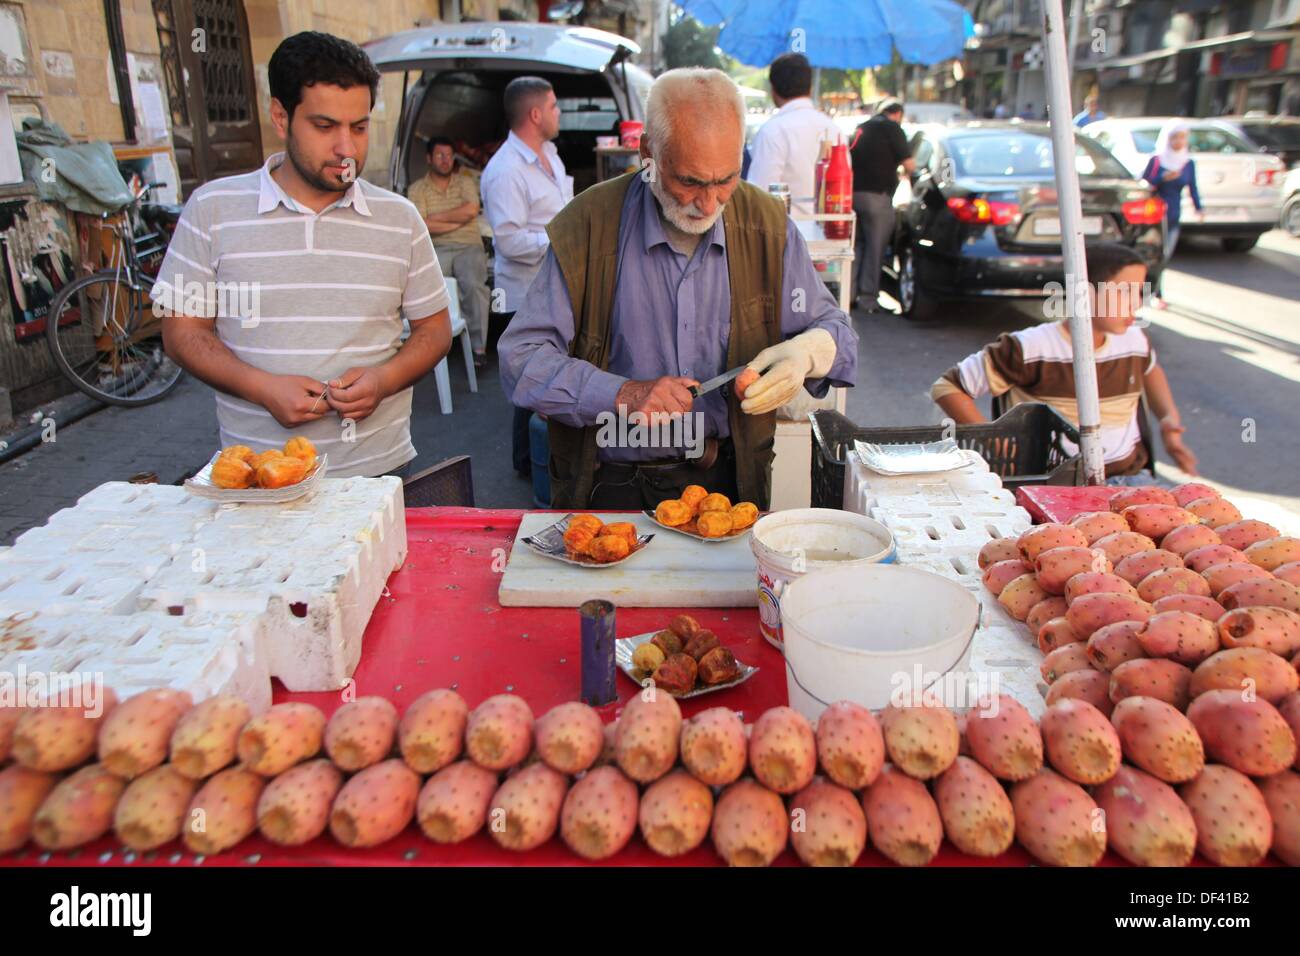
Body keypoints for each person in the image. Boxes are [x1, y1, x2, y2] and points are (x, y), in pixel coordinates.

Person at [497, 68, 858, 510]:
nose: (707, 204)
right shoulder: (589, 224)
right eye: (688, 181)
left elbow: (838, 333)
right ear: (649, 151)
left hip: (728, 483)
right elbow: (521, 358)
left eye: (725, 180)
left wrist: (807, 353)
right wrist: (622, 393)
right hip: (611, 484)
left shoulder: (766, 226)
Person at [154, 31, 451, 479]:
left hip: (381, 475)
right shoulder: (212, 210)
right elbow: (181, 333)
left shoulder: (400, 218)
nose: (346, 149)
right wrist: (262, 388)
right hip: (256, 478)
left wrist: (384, 381)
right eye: (325, 126)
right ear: (280, 116)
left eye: (359, 126)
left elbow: (434, 330)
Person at [930, 242, 1198, 477]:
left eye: (1139, 292)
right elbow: (947, 388)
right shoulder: (1031, 347)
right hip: (1056, 482)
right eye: (1124, 292)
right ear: (1084, 293)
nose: (1136, 303)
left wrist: (1167, 420)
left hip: (1129, 475)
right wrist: (998, 444)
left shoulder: (1135, 341)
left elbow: (1150, 370)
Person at [480, 76, 574, 477]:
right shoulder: (505, 170)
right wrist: (563, 238)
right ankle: (526, 466)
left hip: (556, 284)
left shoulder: (550, 153)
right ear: (535, 114)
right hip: (522, 292)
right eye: (553, 106)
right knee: (526, 379)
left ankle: (543, 456)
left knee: (552, 370)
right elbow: (509, 241)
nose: (558, 114)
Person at [408, 136, 490, 368]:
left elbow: (472, 210)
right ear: (428, 159)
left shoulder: (464, 182)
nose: (446, 160)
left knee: (473, 285)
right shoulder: (417, 189)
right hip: (436, 248)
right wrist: (457, 219)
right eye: (440, 155)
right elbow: (421, 225)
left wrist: (434, 219)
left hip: (468, 245)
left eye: (449, 155)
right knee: (428, 290)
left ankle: (479, 348)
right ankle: (429, 350)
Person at [744, 52, 840, 214]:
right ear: (809, 88)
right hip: (829, 233)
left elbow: (758, 195)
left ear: (773, 89)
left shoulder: (772, 131)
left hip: (786, 233)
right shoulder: (834, 129)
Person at [849, 99, 913, 314]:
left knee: (855, 247)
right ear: (897, 114)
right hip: (878, 197)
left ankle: (847, 296)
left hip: (852, 196)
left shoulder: (862, 128)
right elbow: (910, 164)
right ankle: (868, 300)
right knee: (876, 249)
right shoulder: (893, 129)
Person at [1142, 120, 1203, 310]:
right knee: (1151, 255)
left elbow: (1193, 187)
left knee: (1165, 256)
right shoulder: (1157, 160)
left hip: (1174, 214)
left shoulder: (1187, 163)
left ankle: (1156, 292)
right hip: (1154, 216)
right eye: (1175, 137)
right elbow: (1145, 183)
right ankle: (1147, 291)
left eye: (1182, 137)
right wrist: (1162, 178)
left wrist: (1199, 208)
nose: (1178, 141)